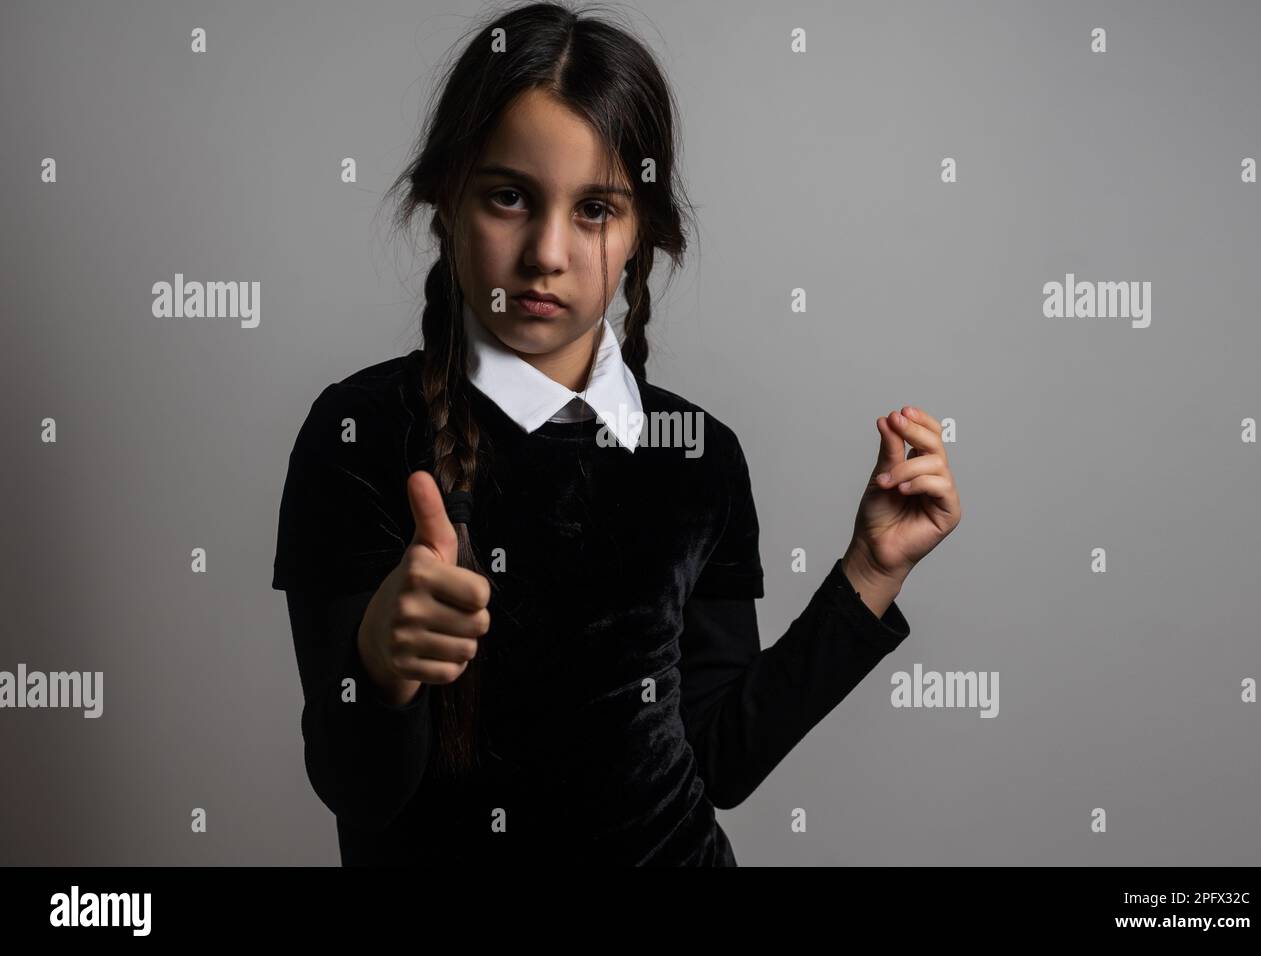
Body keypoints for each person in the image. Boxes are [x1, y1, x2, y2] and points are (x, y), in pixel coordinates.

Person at [272, 1, 962, 866]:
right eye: (510, 197)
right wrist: (379, 665)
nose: (547, 252)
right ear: (445, 199)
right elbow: (358, 789)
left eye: (595, 209)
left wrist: (871, 571)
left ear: (643, 233)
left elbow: (718, 760)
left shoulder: (700, 453)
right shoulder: (357, 433)